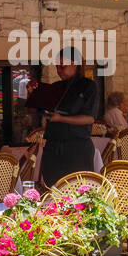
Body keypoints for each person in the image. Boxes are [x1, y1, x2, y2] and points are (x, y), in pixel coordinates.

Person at [26, 48, 100, 187]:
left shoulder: (88, 86)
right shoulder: (56, 87)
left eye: (63, 66)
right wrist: (32, 94)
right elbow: (33, 110)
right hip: (53, 148)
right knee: (53, 189)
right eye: (57, 67)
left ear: (75, 64)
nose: (59, 70)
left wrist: (61, 118)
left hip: (77, 147)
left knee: (78, 192)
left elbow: (90, 118)